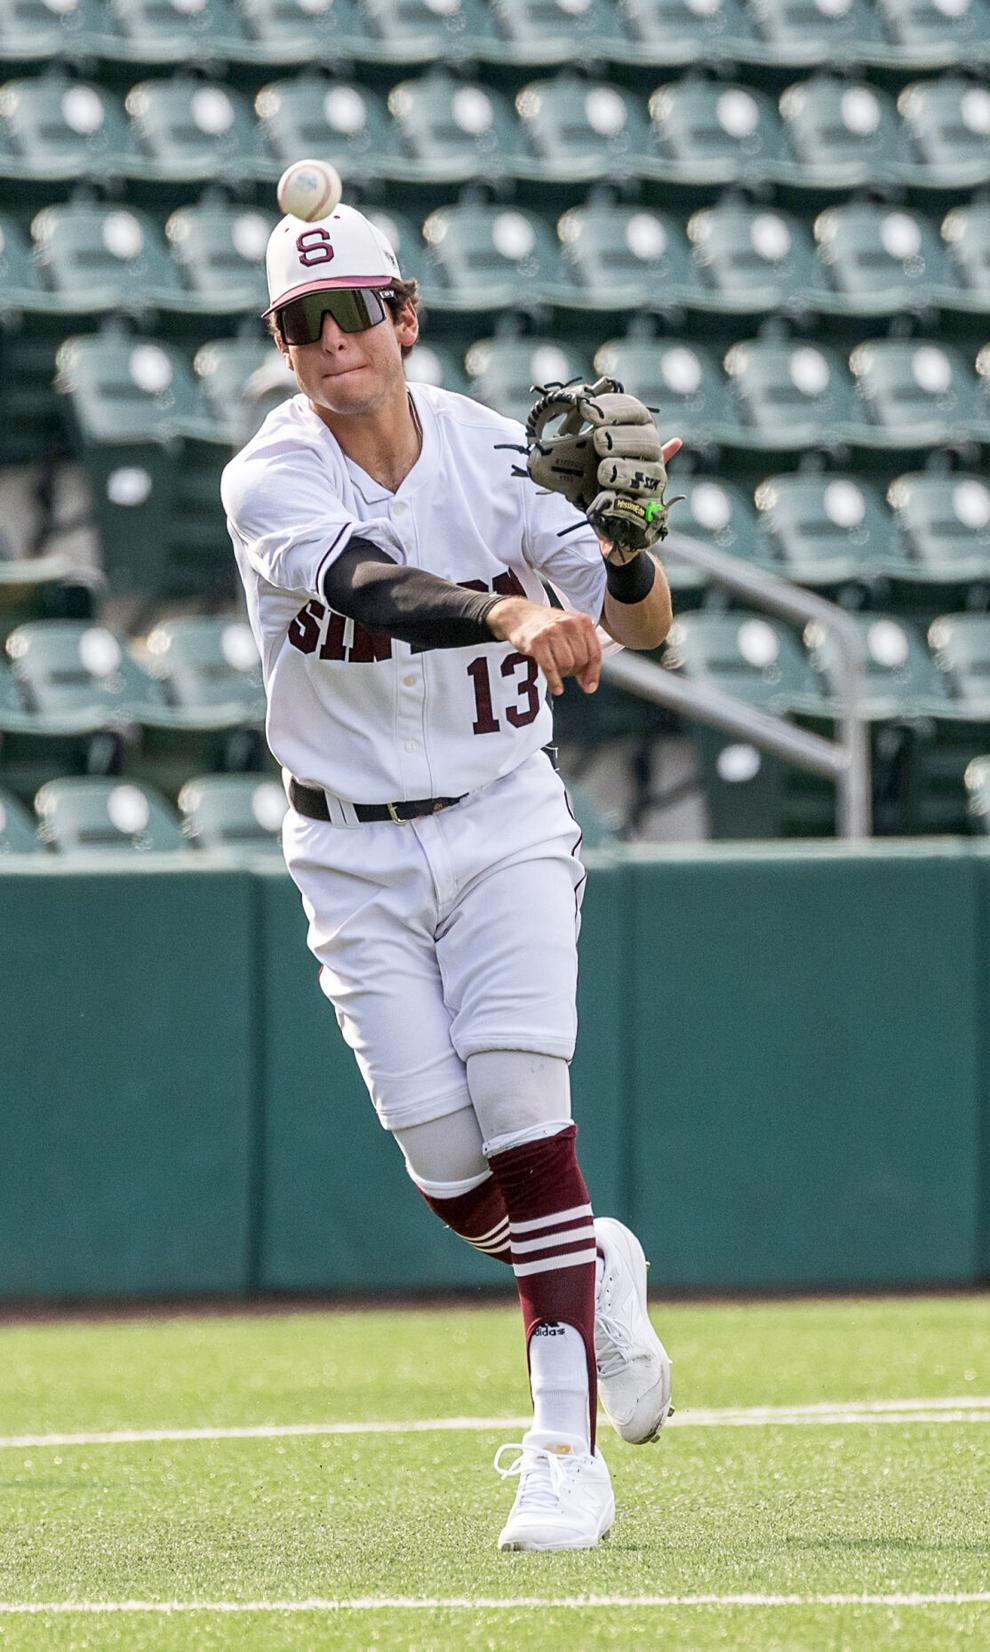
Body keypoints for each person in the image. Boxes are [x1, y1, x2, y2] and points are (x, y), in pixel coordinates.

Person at [221, 203, 678, 1553]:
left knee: (524, 1106)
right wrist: (507, 611)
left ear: (403, 319)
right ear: (282, 345)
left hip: (498, 820)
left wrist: (629, 537)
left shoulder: (497, 454)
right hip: (347, 849)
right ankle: (595, 1265)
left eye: (352, 312)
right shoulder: (271, 476)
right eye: (302, 324)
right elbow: (365, 587)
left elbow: (644, 625)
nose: (331, 342)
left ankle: (560, 1450)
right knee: (447, 1170)